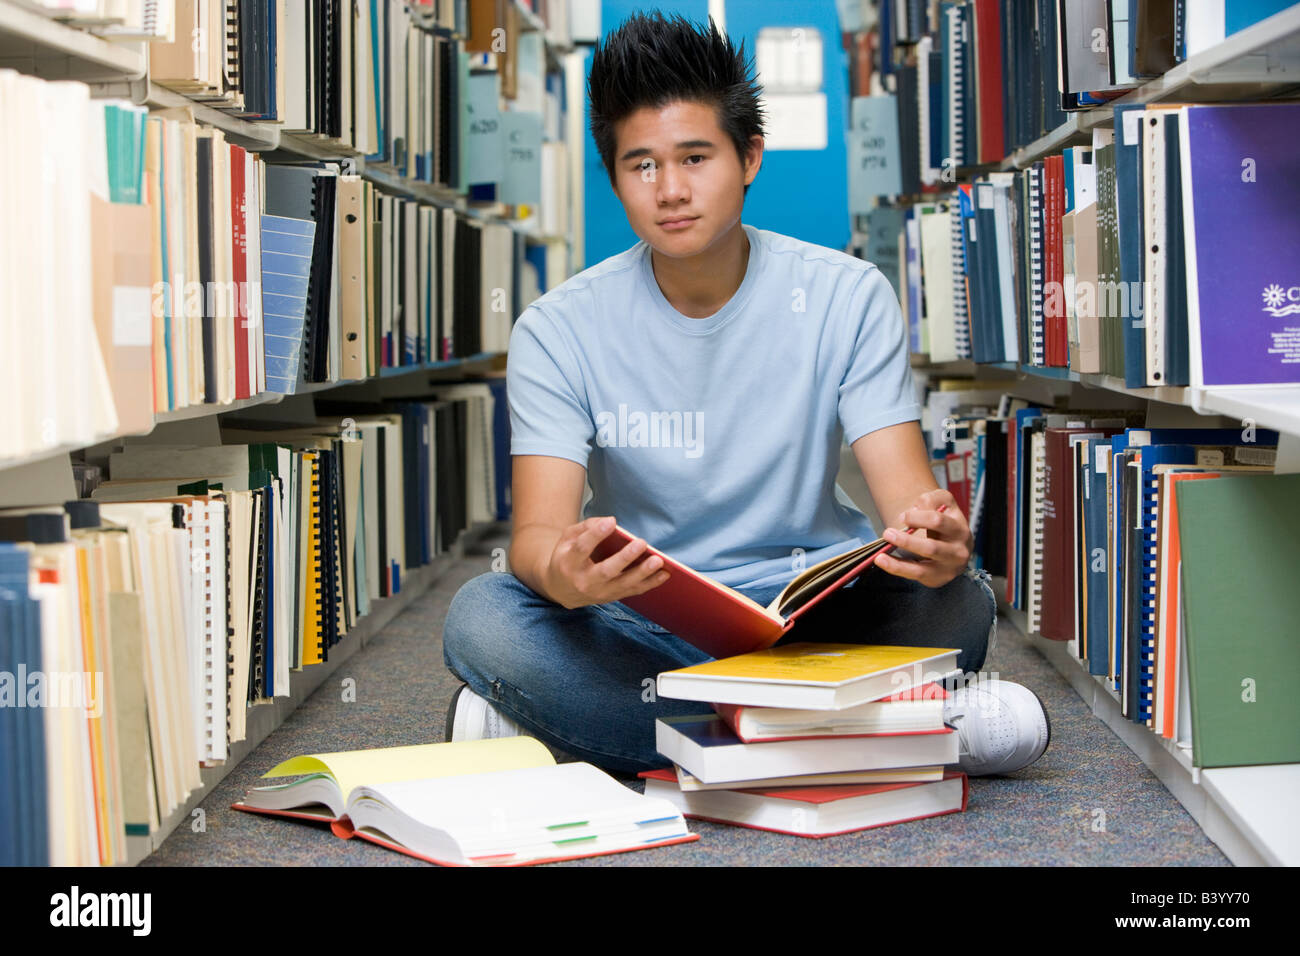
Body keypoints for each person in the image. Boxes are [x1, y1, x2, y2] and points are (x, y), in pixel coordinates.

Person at [441, 12, 1049, 778]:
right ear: (617, 177)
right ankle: (866, 726)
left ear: (749, 156)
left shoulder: (846, 295)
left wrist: (934, 545)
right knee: (484, 615)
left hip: (815, 617)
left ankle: (613, 730)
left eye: (696, 156)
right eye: (642, 166)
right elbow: (535, 536)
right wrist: (565, 573)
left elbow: (910, 504)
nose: (671, 190)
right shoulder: (558, 328)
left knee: (956, 603)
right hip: (647, 622)